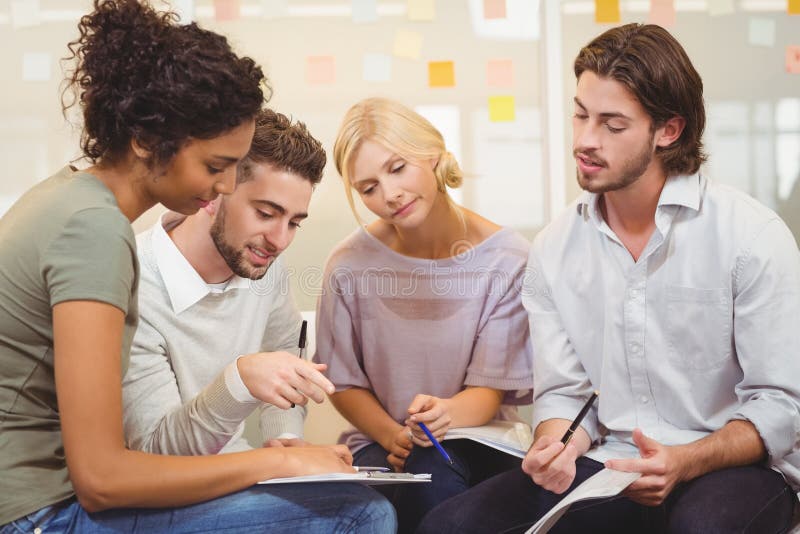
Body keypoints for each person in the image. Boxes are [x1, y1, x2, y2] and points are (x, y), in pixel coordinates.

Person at [0, 2, 394, 533]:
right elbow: (103, 479)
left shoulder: (72, 200)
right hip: (39, 514)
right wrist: (278, 462)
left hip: (47, 500)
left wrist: (287, 448)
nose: (224, 187)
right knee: (358, 514)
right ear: (146, 141)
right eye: (215, 166)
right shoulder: (95, 232)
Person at [417, 23, 800, 534]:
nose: (584, 140)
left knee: (702, 527)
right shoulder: (554, 248)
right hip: (613, 462)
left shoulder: (751, 237)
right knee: (450, 526)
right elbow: (564, 394)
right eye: (580, 114)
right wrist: (556, 445)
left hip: (732, 466)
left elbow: (780, 406)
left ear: (668, 130)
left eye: (612, 125)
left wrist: (684, 460)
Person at [314, 97, 533, 533]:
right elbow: (343, 382)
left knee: (432, 470)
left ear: (433, 154)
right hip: (383, 443)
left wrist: (444, 413)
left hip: (482, 439)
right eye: (369, 188)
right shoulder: (348, 264)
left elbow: (488, 392)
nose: (389, 195)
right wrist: (390, 433)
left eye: (397, 168)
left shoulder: (508, 259)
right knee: (411, 477)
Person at [122, 109, 327, 455]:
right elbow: (155, 449)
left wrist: (285, 440)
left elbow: (286, 355)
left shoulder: (263, 265)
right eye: (265, 213)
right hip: (168, 481)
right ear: (213, 194)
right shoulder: (134, 284)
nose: (280, 241)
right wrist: (239, 381)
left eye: (294, 223)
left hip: (241, 470)